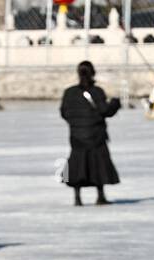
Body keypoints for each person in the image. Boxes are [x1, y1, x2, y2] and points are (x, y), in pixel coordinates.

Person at [61, 61, 121, 207]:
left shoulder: (69, 92)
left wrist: (76, 124)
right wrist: (115, 104)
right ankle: (100, 197)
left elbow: (64, 112)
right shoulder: (96, 91)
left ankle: (77, 198)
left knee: (77, 165)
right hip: (96, 135)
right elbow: (105, 111)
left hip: (77, 136)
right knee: (98, 165)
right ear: (93, 73)